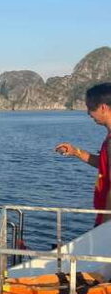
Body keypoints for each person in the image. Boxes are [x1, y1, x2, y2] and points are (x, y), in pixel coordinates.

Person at [55, 83, 111, 226]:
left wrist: (104, 226)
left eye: (90, 108)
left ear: (103, 108)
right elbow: (103, 164)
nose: (88, 113)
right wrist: (75, 152)